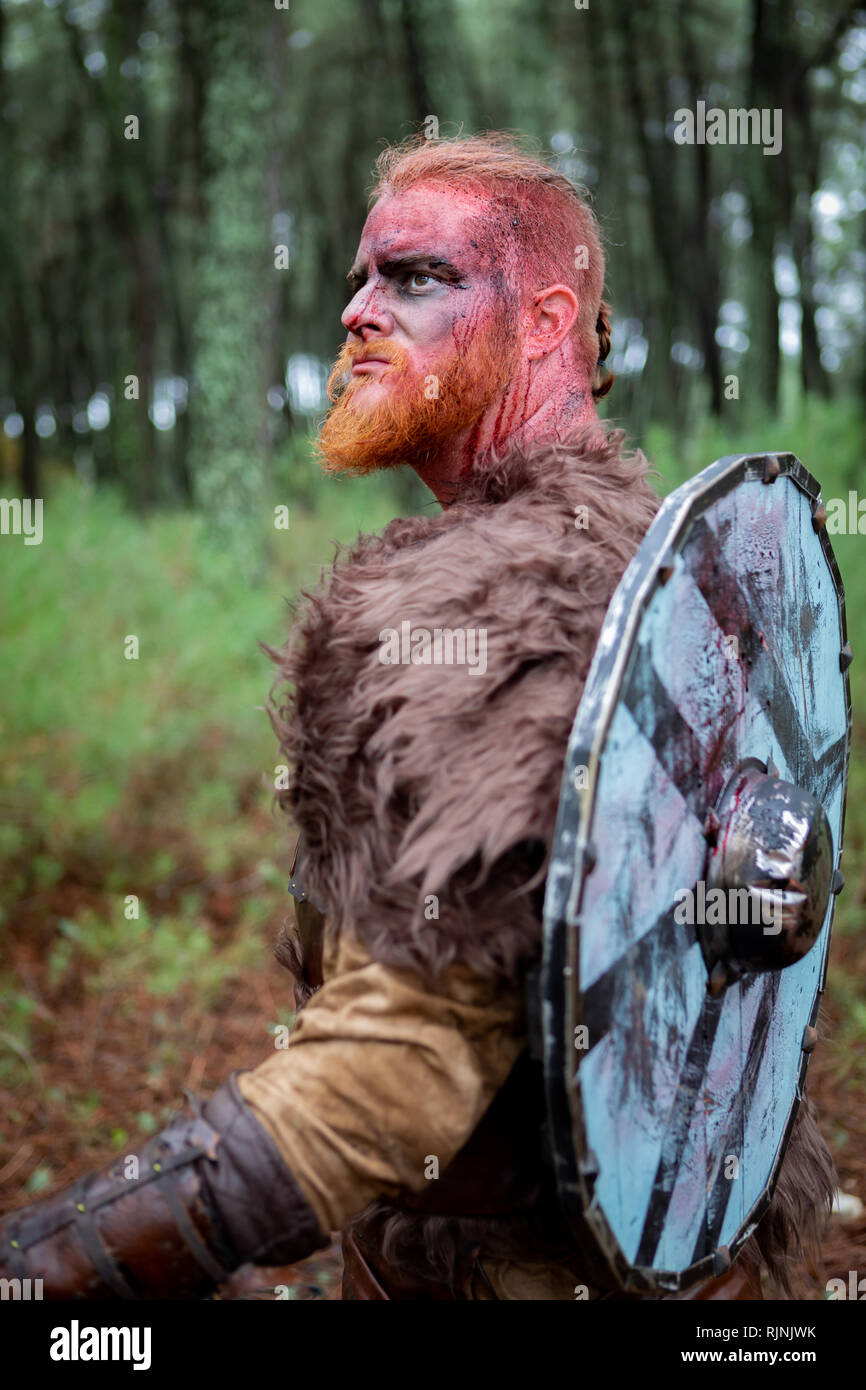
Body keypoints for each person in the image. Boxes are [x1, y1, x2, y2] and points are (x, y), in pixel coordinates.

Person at [0, 133, 833, 1300]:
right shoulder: (660, 569)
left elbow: (394, 1080)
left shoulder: (512, 600)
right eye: (358, 276)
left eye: (414, 277)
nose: (355, 310)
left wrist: (47, 1270)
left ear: (545, 323)